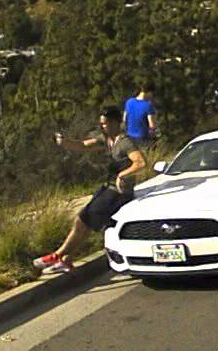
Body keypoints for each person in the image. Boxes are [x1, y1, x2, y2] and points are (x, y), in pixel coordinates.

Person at [33, 106, 146, 274]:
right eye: (101, 124)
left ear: (116, 123)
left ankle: (58, 256)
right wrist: (64, 142)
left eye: (106, 124)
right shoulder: (106, 139)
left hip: (119, 193)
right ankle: (66, 261)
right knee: (85, 224)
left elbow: (141, 162)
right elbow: (83, 145)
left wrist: (123, 174)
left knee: (81, 220)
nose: (103, 127)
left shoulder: (125, 143)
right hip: (107, 188)